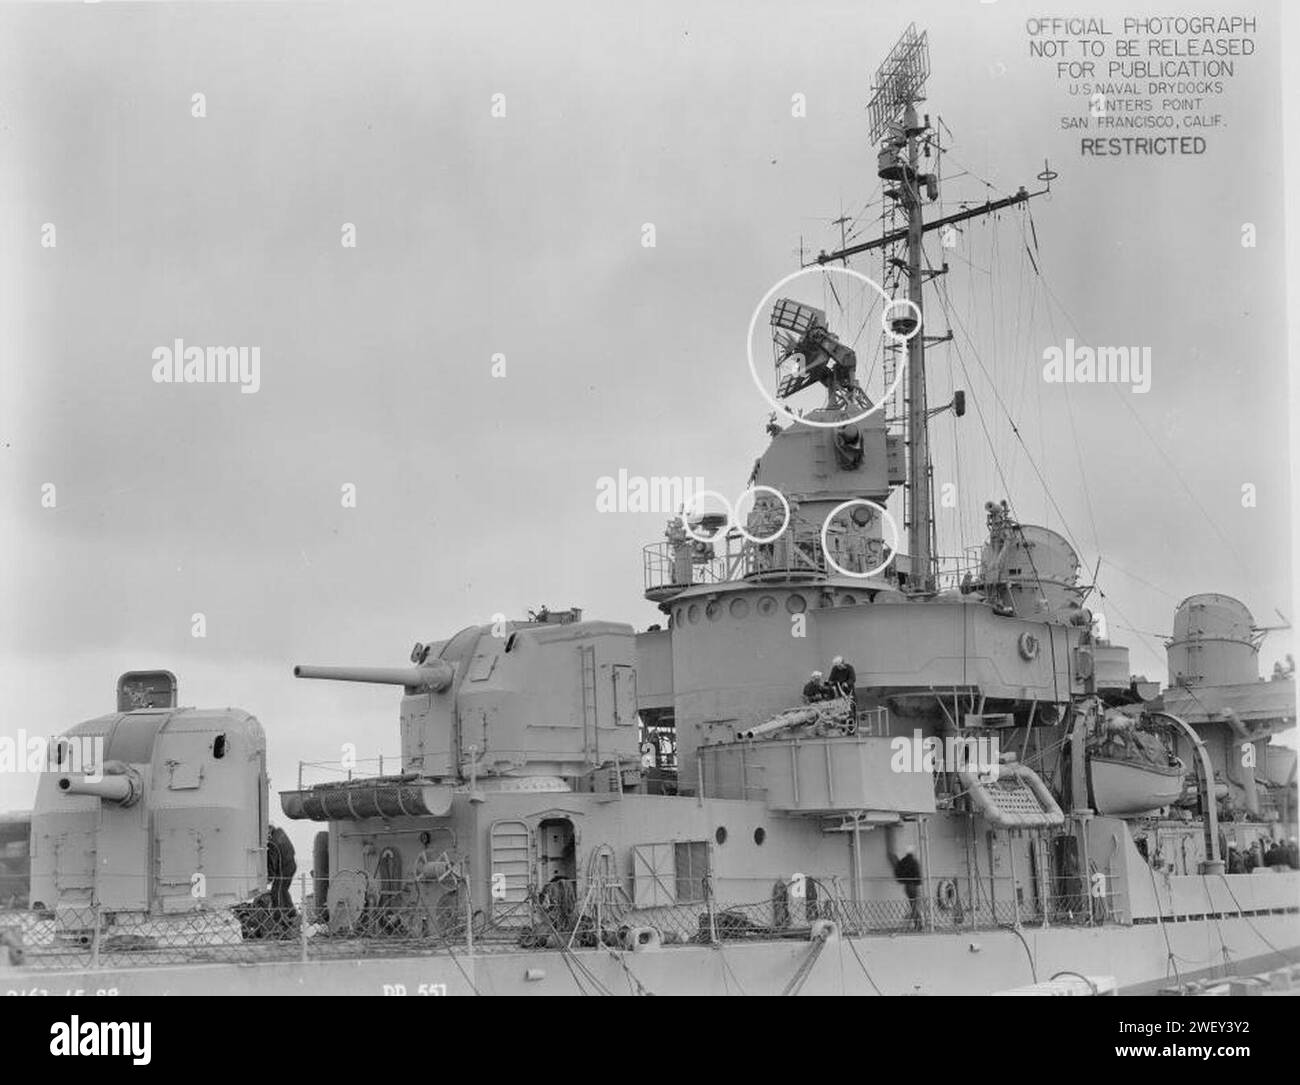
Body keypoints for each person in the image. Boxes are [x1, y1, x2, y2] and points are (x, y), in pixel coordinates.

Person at [889, 845, 923, 931]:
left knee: (912, 904)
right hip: (914, 885)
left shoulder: (903, 861)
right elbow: (918, 874)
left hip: (907, 885)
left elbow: (898, 872)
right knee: (916, 904)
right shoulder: (914, 862)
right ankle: (917, 923)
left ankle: (915, 921)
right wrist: (918, 882)